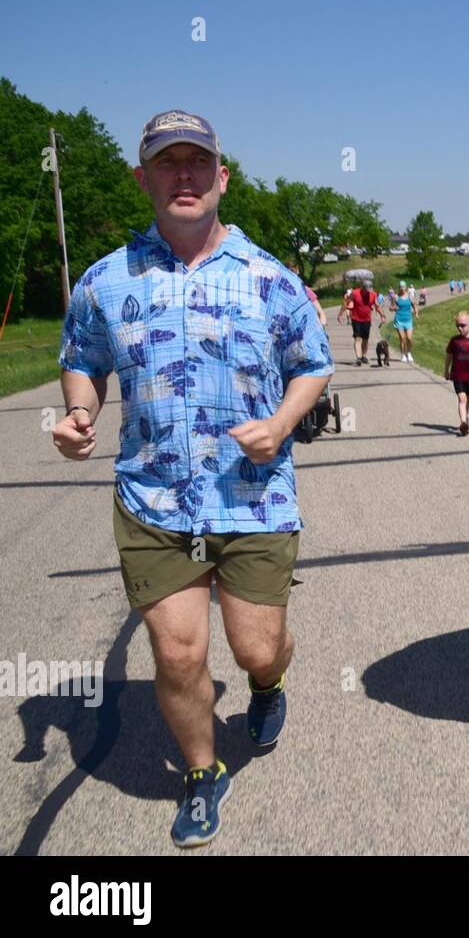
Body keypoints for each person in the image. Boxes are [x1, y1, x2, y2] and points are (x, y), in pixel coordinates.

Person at [53, 109, 334, 847]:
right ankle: (202, 773)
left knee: (254, 648)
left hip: (253, 497)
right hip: (153, 501)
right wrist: (79, 412)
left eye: (197, 162)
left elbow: (313, 364)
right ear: (143, 177)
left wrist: (279, 425)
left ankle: (269, 683)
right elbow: (82, 357)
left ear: (222, 177)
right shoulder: (106, 280)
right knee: (178, 653)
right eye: (167, 163)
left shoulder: (270, 278)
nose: (185, 175)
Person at [444, 311, 469, 434]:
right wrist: (446, 370)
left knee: (468, 398)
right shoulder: (454, 341)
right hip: (458, 375)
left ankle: (465, 418)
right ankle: (463, 423)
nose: (460, 328)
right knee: (462, 398)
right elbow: (449, 356)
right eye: (458, 326)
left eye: (463, 325)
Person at [338, 278, 386, 365]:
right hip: (356, 319)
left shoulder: (373, 294)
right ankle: (358, 358)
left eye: (369, 290)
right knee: (358, 338)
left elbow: (377, 306)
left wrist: (382, 315)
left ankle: (364, 355)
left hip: (367, 320)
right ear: (362, 288)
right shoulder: (355, 293)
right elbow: (346, 302)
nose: (368, 292)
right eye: (366, 290)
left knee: (365, 339)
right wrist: (341, 314)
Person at [392, 280, 418, 362]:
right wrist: (394, 308)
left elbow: (414, 305)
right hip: (399, 320)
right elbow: (390, 307)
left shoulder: (410, 296)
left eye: (403, 287)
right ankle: (403, 354)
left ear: (406, 287)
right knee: (402, 338)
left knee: (409, 338)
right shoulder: (396, 297)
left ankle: (409, 353)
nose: (402, 288)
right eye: (400, 287)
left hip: (408, 320)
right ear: (399, 288)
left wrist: (416, 313)